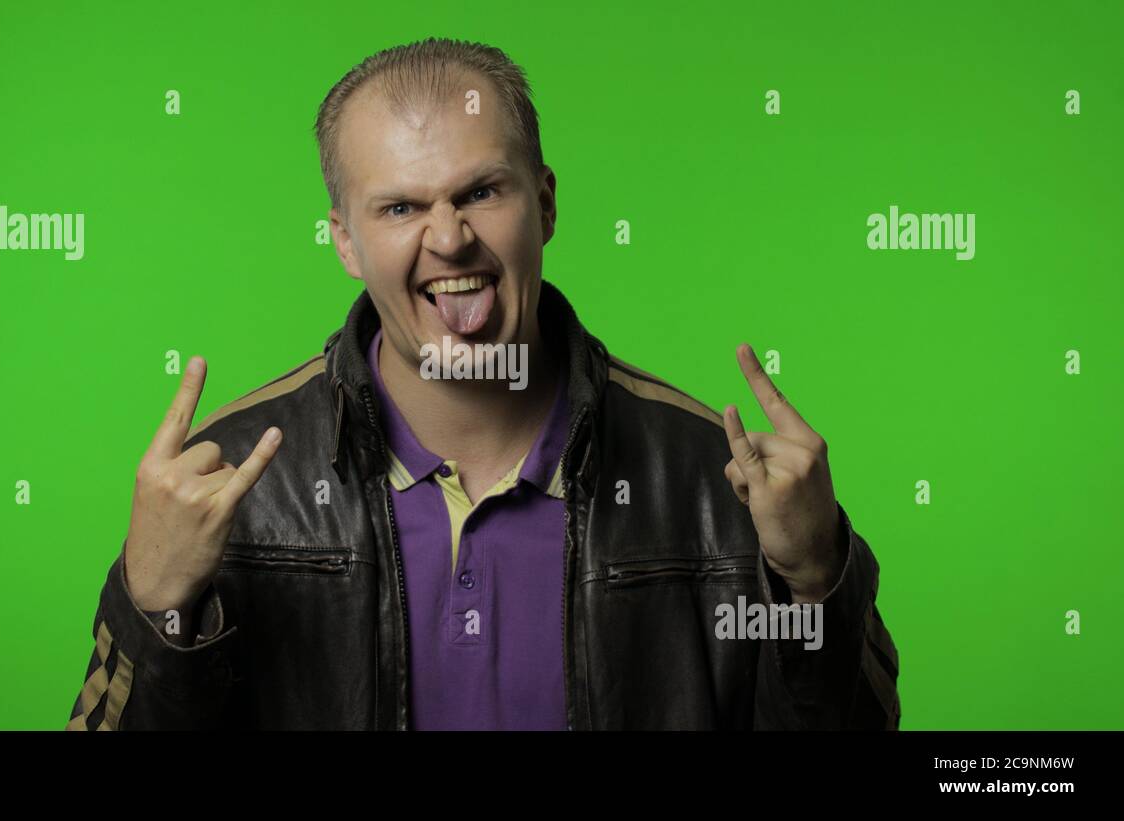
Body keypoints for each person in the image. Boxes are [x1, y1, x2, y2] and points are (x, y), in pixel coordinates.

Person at [67, 37, 900, 731]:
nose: (448, 238)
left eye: (482, 191)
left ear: (544, 203)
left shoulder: (713, 483)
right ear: (345, 243)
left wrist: (816, 582)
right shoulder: (230, 485)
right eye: (399, 208)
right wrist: (155, 605)